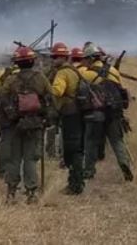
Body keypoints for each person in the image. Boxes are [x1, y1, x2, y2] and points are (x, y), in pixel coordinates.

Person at [1, 46, 55, 203]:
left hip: (14, 125)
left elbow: (2, 100)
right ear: (32, 61)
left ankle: (11, 193)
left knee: (14, 159)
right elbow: (50, 98)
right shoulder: (41, 78)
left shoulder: (11, 79)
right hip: (35, 124)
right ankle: (32, 193)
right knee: (30, 159)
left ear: (17, 63)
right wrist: (47, 119)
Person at [78, 43, 133, 182]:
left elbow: (80, 91)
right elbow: (120, 88)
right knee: (117, 141)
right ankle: (125, 164)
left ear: (90, 58)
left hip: (95, 114)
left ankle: (89, 171)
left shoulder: (86, 74)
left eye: (85, 59)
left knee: (91, 142)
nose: (83, 61)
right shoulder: (113, 71)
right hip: (114, 112)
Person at [49, 42, 84, 195]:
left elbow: (57, 91)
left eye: (55, 57)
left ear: (61, 58)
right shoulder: (74, 71)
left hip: (69, 114)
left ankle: (75, 185)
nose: (53, 60)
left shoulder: (62, 73)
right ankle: (77, 182)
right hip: (78, 113)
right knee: (77, 148)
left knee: (71, 150)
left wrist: (44, 89)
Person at [0, 59, 20, 178]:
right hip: (24, 113)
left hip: (6, 113)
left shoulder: (4, 75)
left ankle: (3, 170)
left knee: (6, 140)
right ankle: (16, 170)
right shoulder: (30, 76)